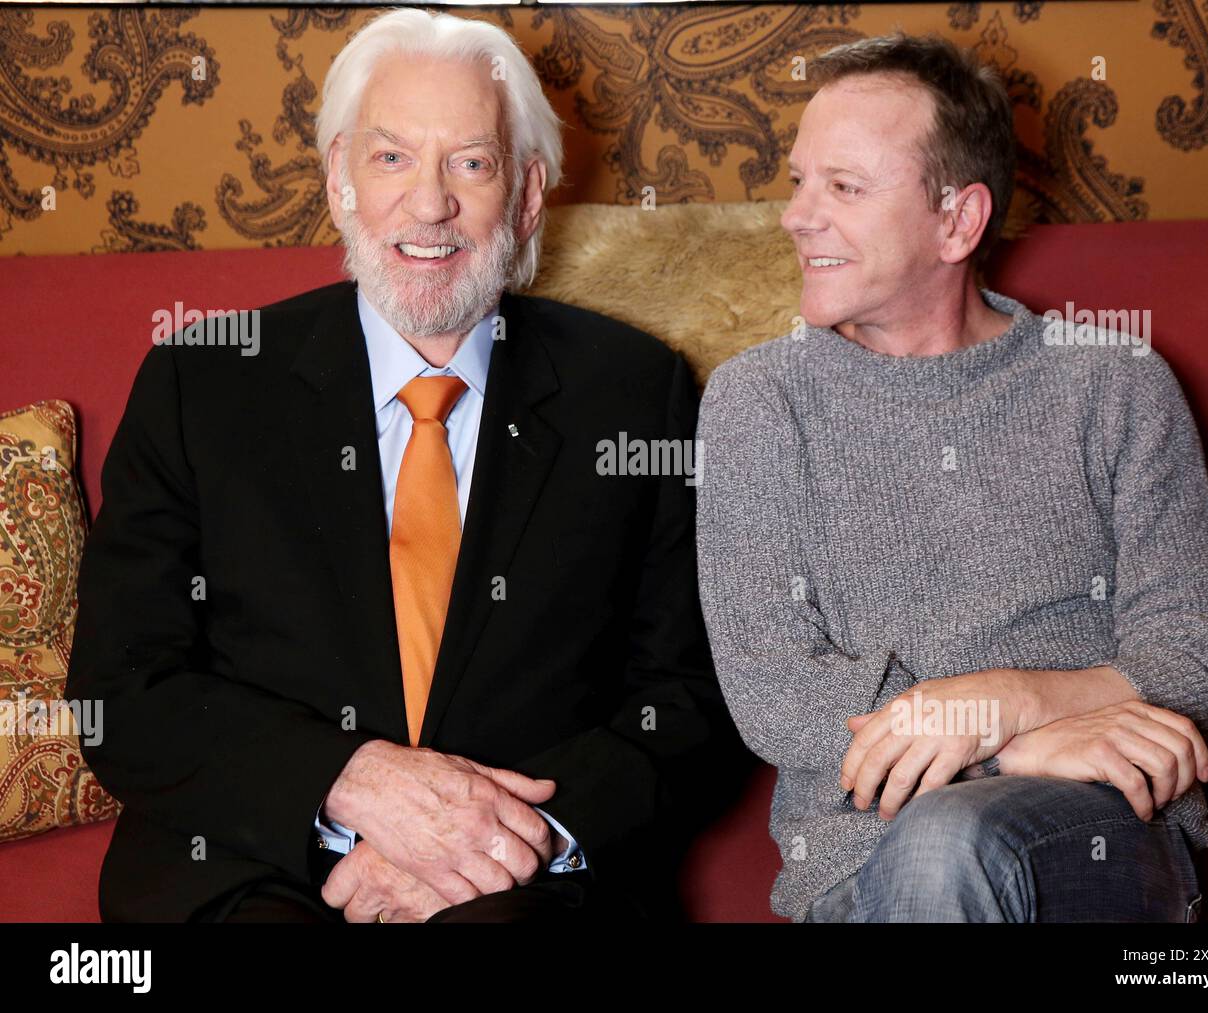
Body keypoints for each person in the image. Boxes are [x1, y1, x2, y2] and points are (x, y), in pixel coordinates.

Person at [68, 7, 737, 923]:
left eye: (472, 161)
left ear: (530, 194)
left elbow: (690, 697)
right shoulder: (203, 381)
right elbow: (123, 689)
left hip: (522, 884)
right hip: (246, 867)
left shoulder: (635, 392)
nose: (431, 205)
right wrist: (350, 782)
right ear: (339, 177)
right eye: (390, 158)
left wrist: (500, 837)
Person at [694, 32, 1208, 923]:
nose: (796, 215)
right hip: (854, 862)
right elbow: (775, 689)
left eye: (843, 187)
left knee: (948, 840)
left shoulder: (1112, 382)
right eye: (800, 180)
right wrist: (1016, 740)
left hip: (1096, 834)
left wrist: (1016, 701)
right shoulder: (759, 401)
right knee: (931, 849)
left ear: (958, 221)